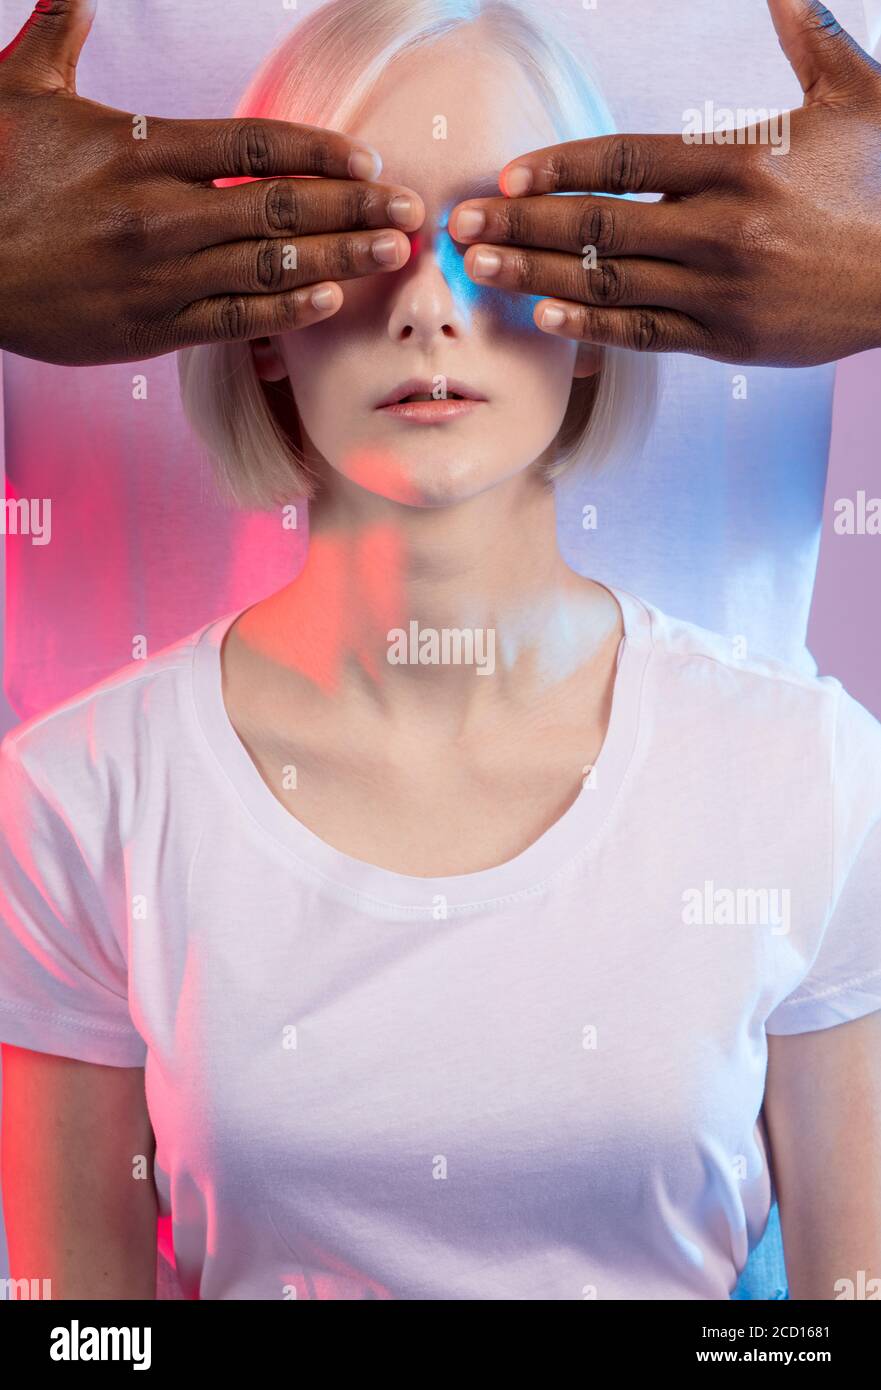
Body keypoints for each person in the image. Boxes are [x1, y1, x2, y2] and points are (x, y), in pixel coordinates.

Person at [1, 0, 879, 1301]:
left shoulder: (809, 774)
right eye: (368, 240)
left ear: (592, 305)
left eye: (496, 243)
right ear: (257, 311)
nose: (426, 310)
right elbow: (83, 1330)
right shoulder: (75, 799)